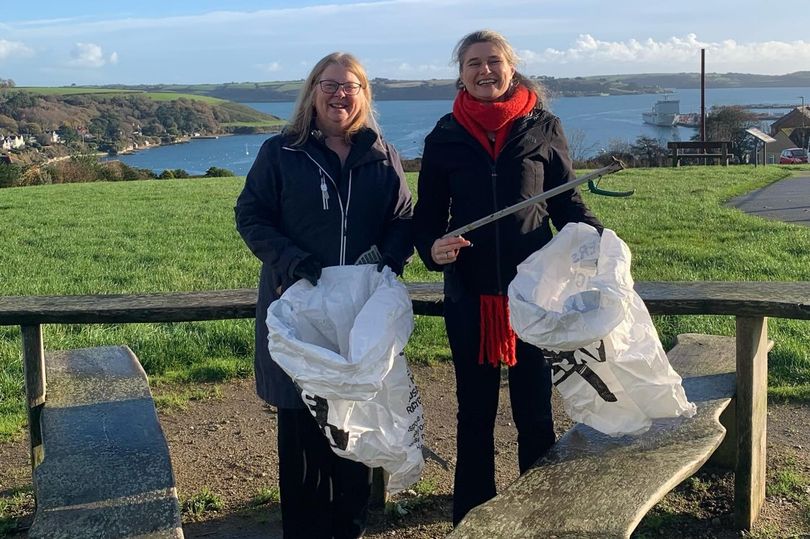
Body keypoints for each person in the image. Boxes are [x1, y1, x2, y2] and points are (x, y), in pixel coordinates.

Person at [412, 30, 603, 525]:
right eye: (473, 63)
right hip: (470, 297)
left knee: (535, 411)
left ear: (510, 66)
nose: (484, 71)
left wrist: (599, 240)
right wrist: (432, 251)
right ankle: (472, 518)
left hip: (534, 296)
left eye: (493, 61)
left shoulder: (543, 126)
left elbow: (565, 201)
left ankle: (537, 516)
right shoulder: (443, 135)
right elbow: (428, 215)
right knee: (474, 414)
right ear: (461, 72)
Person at [235, 52, 413, 539]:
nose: (339, 94)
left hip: (357, 318)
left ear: (363, 95)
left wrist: (386, 263)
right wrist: (294, 264)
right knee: (302, 434)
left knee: (353, 426)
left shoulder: (382, 156)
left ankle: (349, 529)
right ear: (312, 91)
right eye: (329, 85)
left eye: (349, 86)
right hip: (296, 310)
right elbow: (251, 216)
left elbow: (403, 218)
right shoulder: (281, 153)